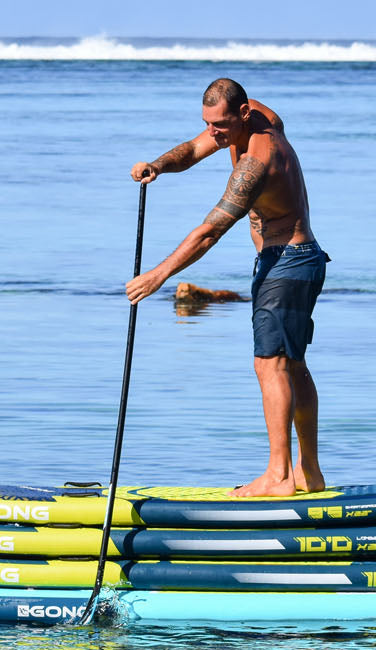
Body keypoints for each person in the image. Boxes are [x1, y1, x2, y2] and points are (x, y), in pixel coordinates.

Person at [126, 78, 328, 497]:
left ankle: (278, 477)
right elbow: (194, 148)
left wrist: (158, 275)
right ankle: (308, 472)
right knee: (292, 365)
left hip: (287, 264)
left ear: (242, 114)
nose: (213, 133)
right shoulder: (253, 115)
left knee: (269, 365)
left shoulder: (256, 163)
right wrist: (158, 165)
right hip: (299, 261)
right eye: (208, 123)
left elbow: (210, 233)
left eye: (220, 125)